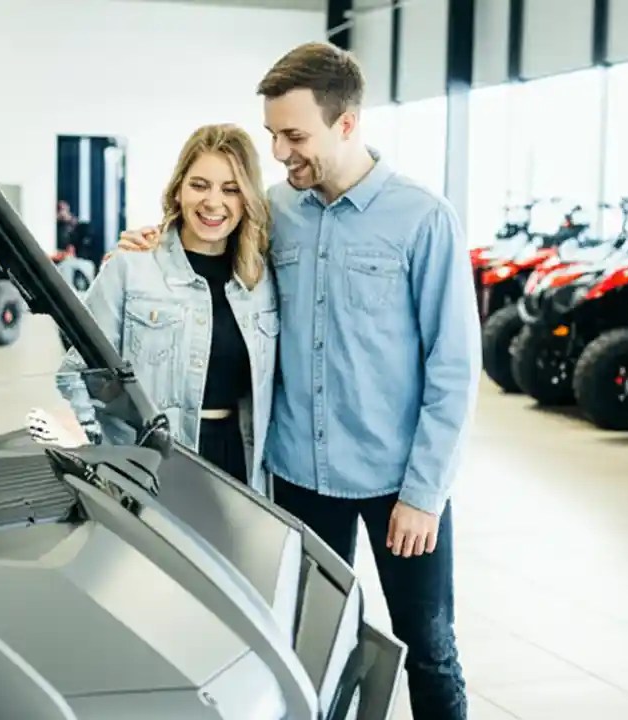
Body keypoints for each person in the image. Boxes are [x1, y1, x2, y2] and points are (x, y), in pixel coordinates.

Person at [117, 43, 480, 720]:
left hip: (399, 483)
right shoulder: (276, 212)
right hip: (297, 479)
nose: (281, 154)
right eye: (274, 136)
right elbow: (204, 235)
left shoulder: (422, 219)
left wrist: (425, 495)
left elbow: (454, 369)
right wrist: (148, 240)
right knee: (306, 649)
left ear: (347, 124)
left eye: (294, 136)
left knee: (429, 648)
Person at [57, 123, 280, 495]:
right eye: (199, 185)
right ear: (178, 190)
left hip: (238, 464)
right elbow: (76, 373)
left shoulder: (261, 280)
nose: (213, 202)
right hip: (151, 465)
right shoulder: (132, 267)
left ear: (247, 199)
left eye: (230, 189)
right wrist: (102, 461)